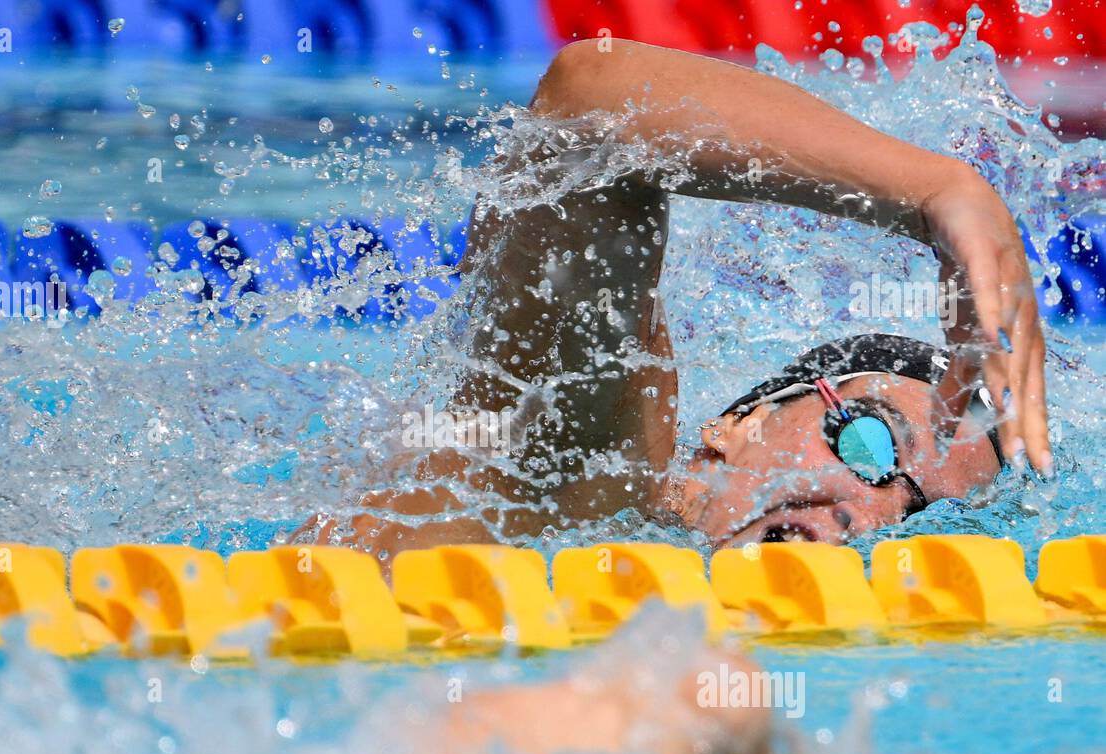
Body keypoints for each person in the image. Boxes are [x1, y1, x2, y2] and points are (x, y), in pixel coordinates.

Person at [302, 38, 1051, 560]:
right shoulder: (580, 480)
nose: (875, 513)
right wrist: (940, 192)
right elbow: (587, 103)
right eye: (874, 445)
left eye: (925, 519)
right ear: (735, 427)